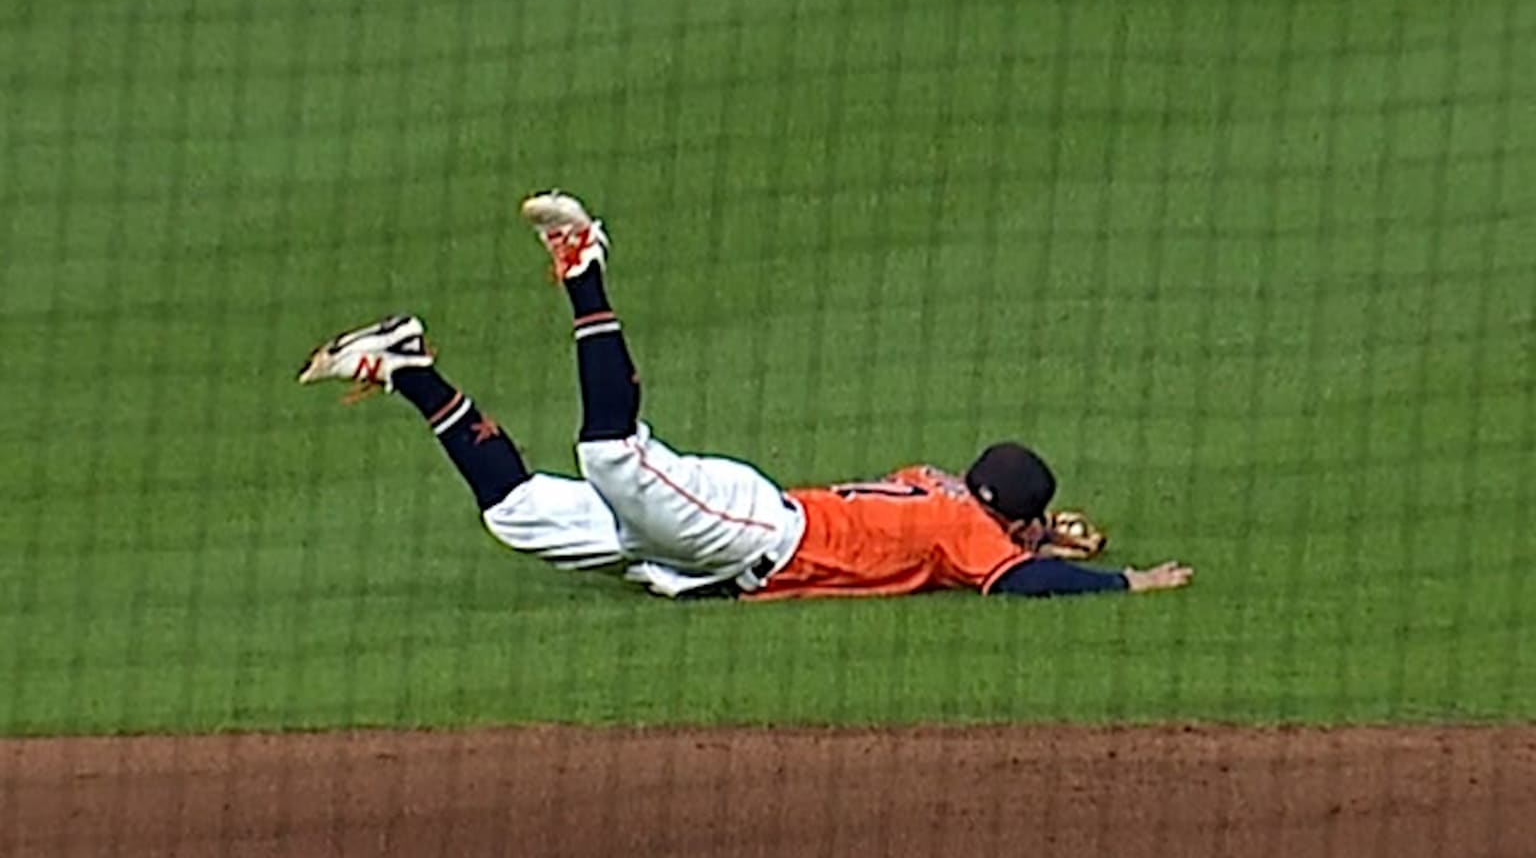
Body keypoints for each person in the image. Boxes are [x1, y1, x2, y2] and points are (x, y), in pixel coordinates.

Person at [297, 192, 1194, 600]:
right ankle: (584, 265)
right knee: (608, 451)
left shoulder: (939, 488)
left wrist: (1043, 529)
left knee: (516, 510)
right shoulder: (968, 531)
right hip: (752, 529)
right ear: (1013, 516)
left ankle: (411, 366)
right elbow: (1021, 578)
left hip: (729, 545)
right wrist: (1126, 581)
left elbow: (1006, 544)